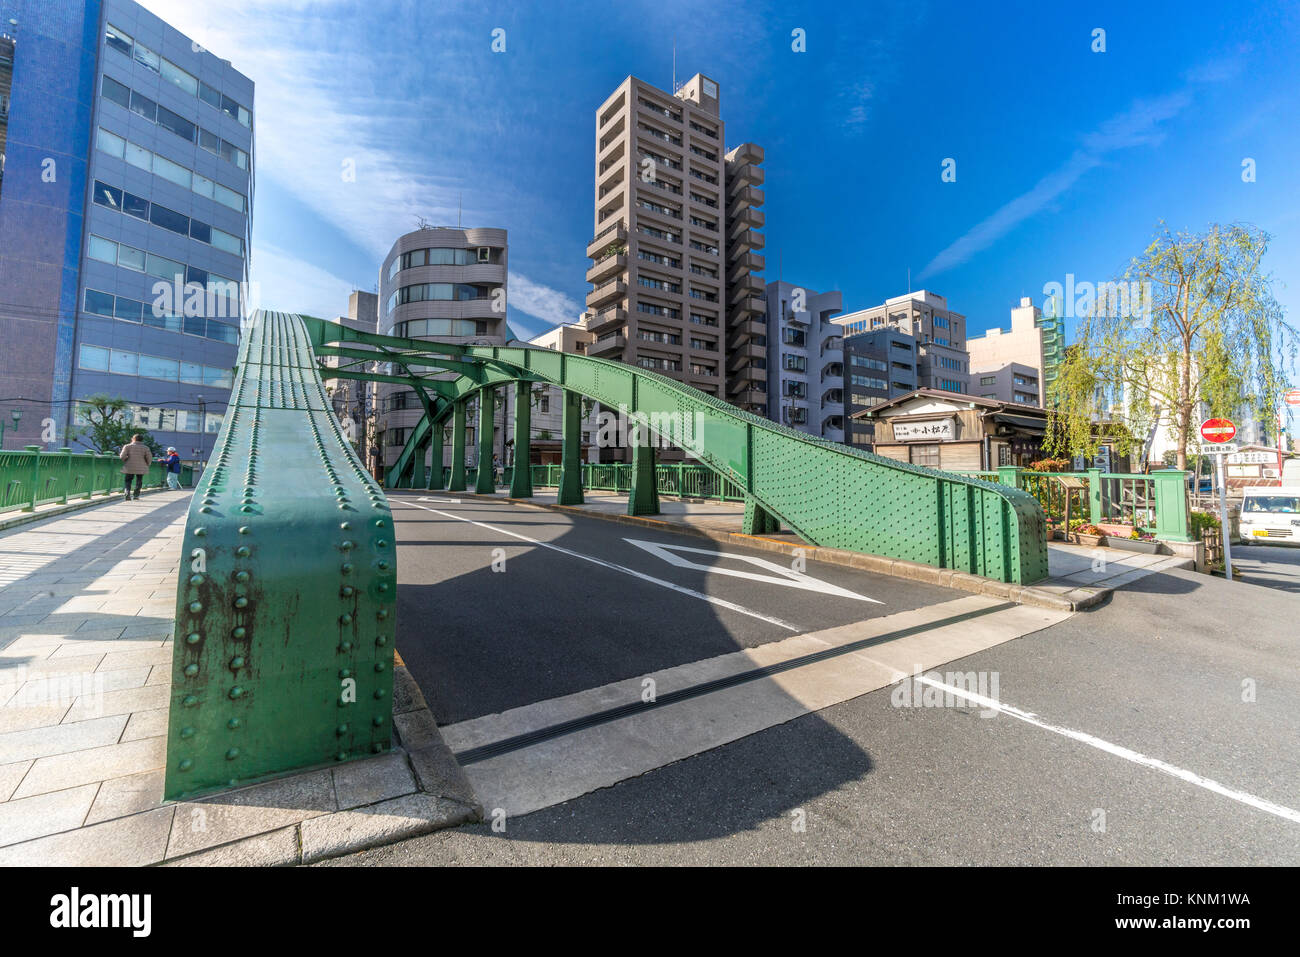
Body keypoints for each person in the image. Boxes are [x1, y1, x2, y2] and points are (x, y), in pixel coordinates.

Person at [119, 434, 151, 500]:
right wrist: (147, 464)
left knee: (128, 480)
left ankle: (127, 493)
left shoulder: (127, 446)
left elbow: (122, 456)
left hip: (129, 466)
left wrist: (126, 459)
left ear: (133, 439)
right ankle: (136, 495)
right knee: (139, 480)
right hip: (141, 467)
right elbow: (149, 458)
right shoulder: (145, 448)